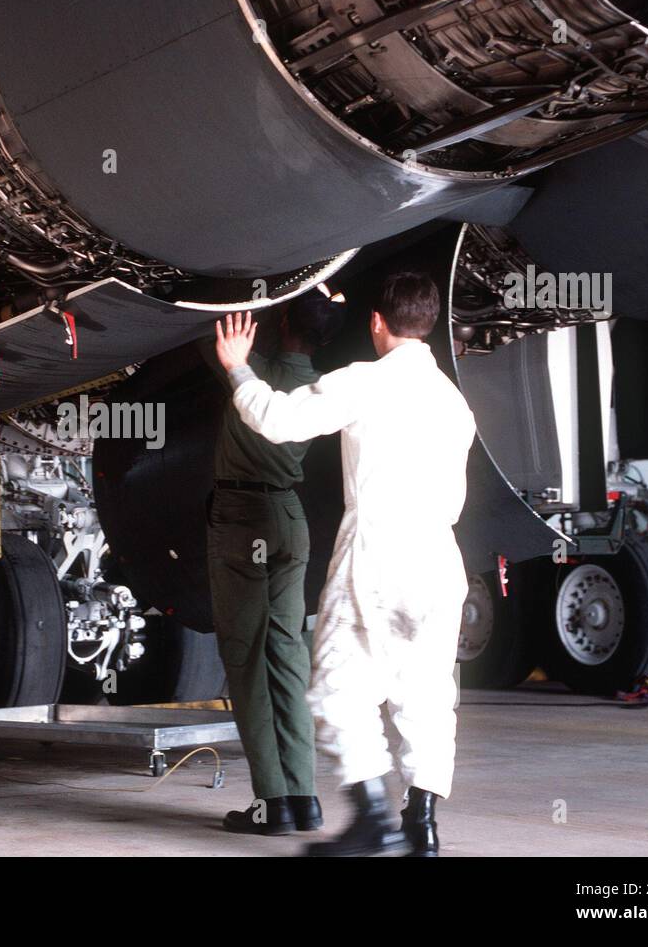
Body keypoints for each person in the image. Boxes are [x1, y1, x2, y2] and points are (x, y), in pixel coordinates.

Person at [214, 271, 476, 857]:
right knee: (427, 696)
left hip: (379, 552)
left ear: (377, 323)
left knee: (337, 689)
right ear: (428, 324)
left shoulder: (368, 381)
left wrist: (238, 366)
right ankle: (422, 827)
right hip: (439, 558)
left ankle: (371, 820)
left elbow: (278, 421)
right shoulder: (454, 402)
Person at [205, 293, 345, 836]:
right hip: (291, 517)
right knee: (288, 657)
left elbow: (205, 331)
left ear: (282, 321)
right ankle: (304, 798)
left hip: (244, 517)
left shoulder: (253, 372)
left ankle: (272, 804)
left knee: (246, 659)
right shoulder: (318, 387)